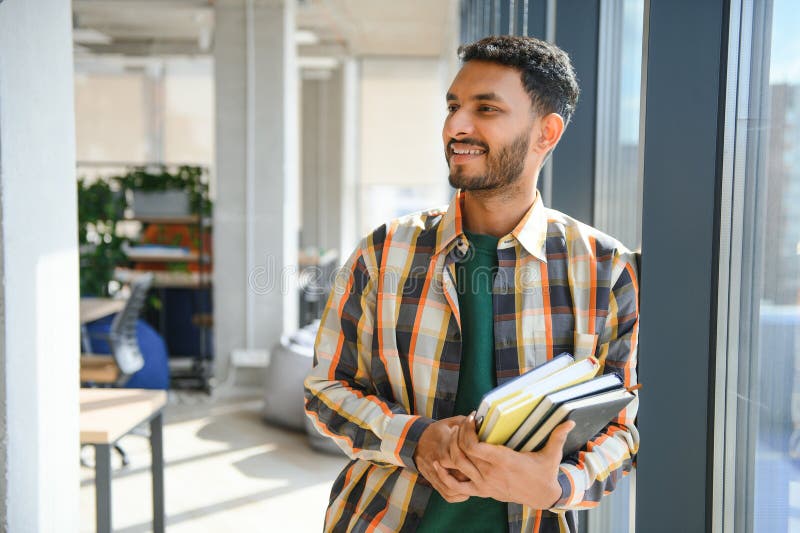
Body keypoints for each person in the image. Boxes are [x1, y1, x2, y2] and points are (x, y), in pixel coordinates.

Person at [304, 35, 639, 533]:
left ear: (546, 132)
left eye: (486, 109)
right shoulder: (385, 250)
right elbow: (326, 389)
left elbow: (623, 425)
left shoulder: (606, 269)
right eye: (454, 106)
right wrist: (415, 438)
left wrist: (555, 487)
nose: (456, 125)